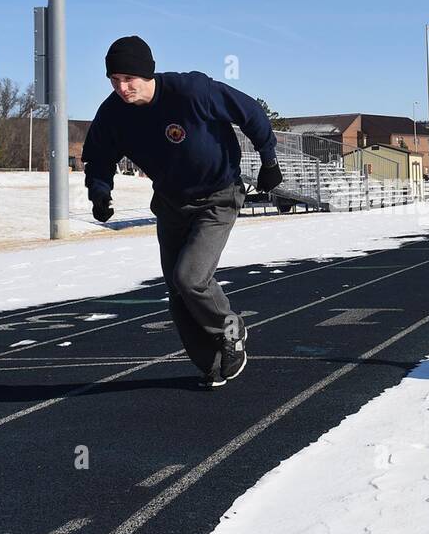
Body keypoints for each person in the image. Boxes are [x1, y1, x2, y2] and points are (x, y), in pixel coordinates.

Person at [81, 36, 284, 387]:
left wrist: (269, 160)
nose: (122, 87)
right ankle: (213, 363)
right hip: (172, 202)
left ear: (147, 73)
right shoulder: (113, 113)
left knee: (190, 278)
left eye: (129, 78)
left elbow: (249, 112)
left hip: (218, 196)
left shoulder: (191, 91)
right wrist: (100, 193)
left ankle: (232, 330)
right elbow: (98, 157)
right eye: (114, 80)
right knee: (177, 291)